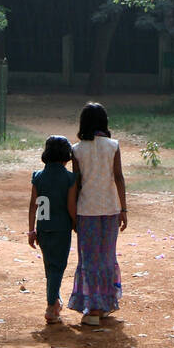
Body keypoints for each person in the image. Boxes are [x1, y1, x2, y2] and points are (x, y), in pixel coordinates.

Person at [68, 102, 127, 327]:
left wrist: (73, 215)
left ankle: (92, 308)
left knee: (89, 260)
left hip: (86, 211)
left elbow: (77, 184)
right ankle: (103, 304)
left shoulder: (77, 150)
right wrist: (124, 209)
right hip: (110, 209)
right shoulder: (113, 146)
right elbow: (119, 178)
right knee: (106, 257)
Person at [28, 135, 77, 325]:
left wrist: (31, 230)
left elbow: (34, 205)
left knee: (50, 267)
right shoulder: (69, 178)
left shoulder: (38, 176)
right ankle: (51, 307)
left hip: (43, 227)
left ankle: (55, 302)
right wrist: (76, 223)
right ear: (66, 156)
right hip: (61, 229)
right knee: (58, 267)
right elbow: (71, 206)